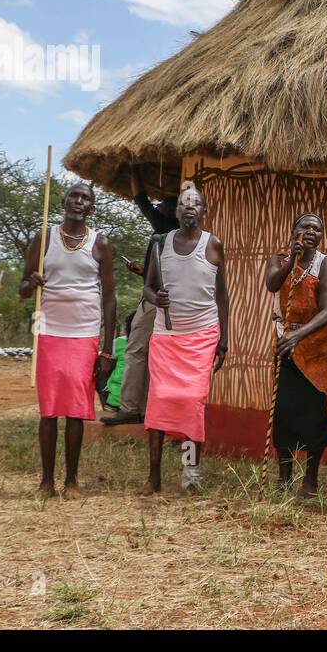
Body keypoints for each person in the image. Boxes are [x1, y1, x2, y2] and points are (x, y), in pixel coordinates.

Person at [20, 182, 117, 498]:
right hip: (49, 330)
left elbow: (111, 299)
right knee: (49, 410)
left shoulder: (100, 243)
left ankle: (72, 480)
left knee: (76, 408)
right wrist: (31, 282)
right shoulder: (44, 238)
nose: (79, 201)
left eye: (85, 198)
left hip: (85, 333)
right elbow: (23, 288)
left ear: (91, 207)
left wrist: (107, 348)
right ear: (63, 201)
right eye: (74, 195)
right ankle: (46, 481)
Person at [140, 182, 228, 494]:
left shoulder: (213, 245)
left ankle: (191, 475)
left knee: (192, 404)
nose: (189, 206)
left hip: (202, 336)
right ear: (176, 211)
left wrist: (223, 340)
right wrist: (156, 298)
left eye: (195, 203)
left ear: (205, 211)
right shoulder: (160, 243)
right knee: (159, 401)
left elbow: (221, 297)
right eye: (184, 203)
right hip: (167, 335)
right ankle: (154, 477)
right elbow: (147, 287)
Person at [265, 213, 327, 497]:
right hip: (285, 343)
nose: (311, 231)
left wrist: (299, 335)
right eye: (305, 226)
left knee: (315, 413)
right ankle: (284, 476)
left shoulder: (325, 264)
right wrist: (291, 261)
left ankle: (310, 479)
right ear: (293, 230)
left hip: (318, 347)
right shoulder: (278, 258)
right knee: (284, 411)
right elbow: (272, 285)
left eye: (316, 228)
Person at [101, 165, 178, 426]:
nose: (158, 207)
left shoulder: (164, 224)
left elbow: (140, 199)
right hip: (173, 299)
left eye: (164, 204)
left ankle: (130, 407)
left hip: (156, 300)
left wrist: (133, 169)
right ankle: (148, 409)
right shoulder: (182, 235)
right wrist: (142, 271)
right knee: (157, 356)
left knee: (135, 350)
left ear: (172, 209)